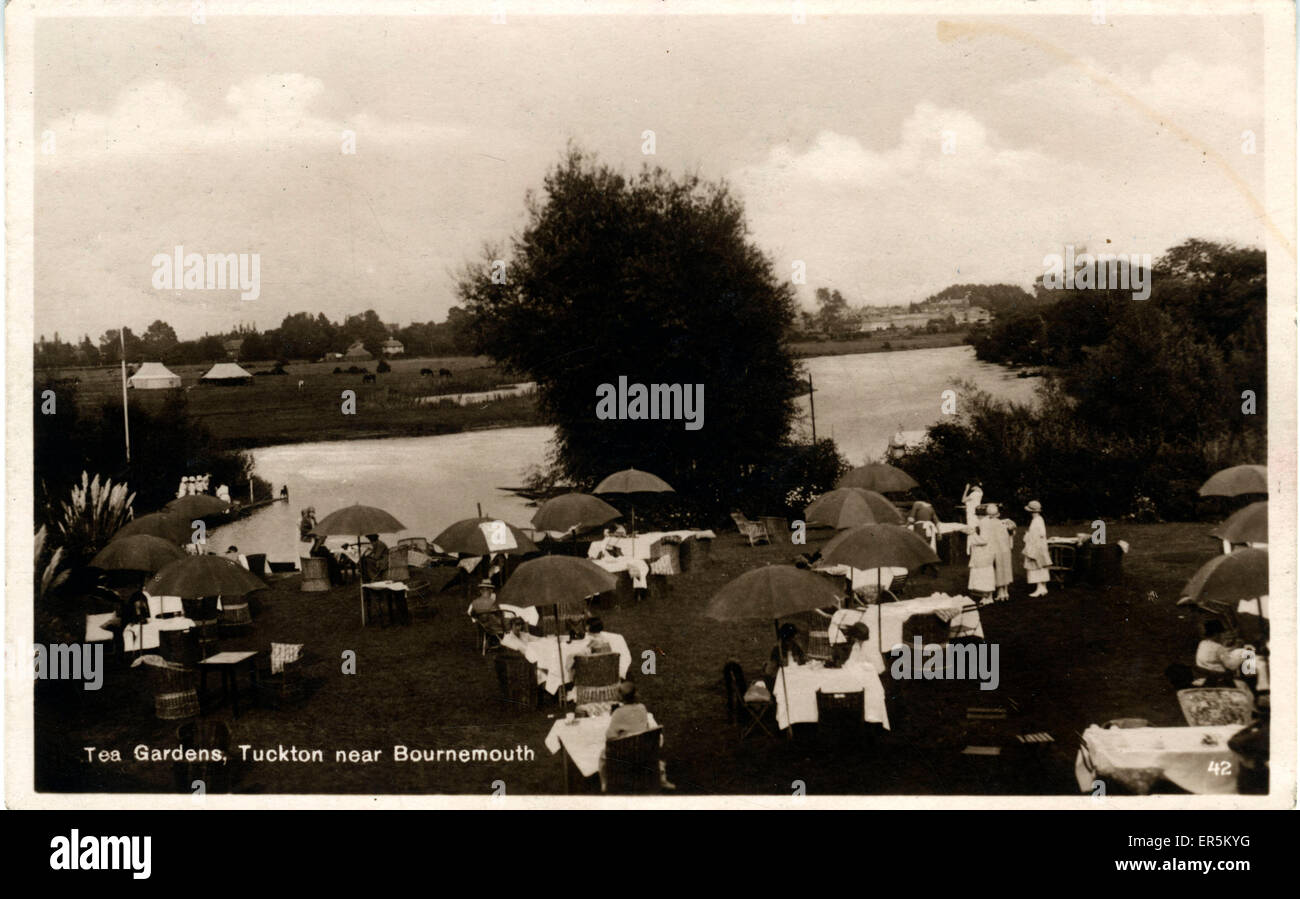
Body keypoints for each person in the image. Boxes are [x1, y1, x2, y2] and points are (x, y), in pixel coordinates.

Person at [1194, 619, 1243, 687]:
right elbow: (1232, 666)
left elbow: (1214, 653)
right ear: (1216, 634)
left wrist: (1232, 648)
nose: (1222, 635)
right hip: (1219, 680)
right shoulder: (1219, 648)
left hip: (1203, 677)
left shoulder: (1202, 643)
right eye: (1221, 633)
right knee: (1244, 686)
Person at [1022, 500, 1052, 597]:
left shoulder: (1036, 521)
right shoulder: (1039, 519)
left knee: (1037, 566)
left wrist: (1027, 537)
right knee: (1041, 565)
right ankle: (1043, 587)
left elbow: (1036, 536)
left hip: (1036, 547)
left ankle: (1040, 588)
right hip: (1040, 546)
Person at [967, 506, 996, 605]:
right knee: (987, 572)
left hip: (983, 552)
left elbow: (983, 540)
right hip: (988, 552)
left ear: (979, 515)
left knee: (983, 574)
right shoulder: (989, 522)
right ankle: (989, 596)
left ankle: (987, 597)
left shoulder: (983, 523)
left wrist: (972, 535)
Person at [764, 623, 806, 688]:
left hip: (796, 677)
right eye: (791, 638)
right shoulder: (777, 650)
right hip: (783, 680)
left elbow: (803, 661)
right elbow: (769, 671)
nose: (793, 640)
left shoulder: (796, 647)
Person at [986, 504, 1014, 602]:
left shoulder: (988, 524)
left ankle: (1000, 592)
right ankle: (1004, 592)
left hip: (995, 550)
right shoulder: (1003, 523)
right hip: (1005, 550)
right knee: (1004, 569)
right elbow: (1011, 533)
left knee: (997, 570)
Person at [961, 481, 984, 554]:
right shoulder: (980, 493)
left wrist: (966, 489)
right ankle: (976, 547)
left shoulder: (974, 494)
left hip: (971, 515)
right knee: (976, 530)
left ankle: (970, 550)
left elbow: (963, 500)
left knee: (970, 531)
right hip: (976, 514)